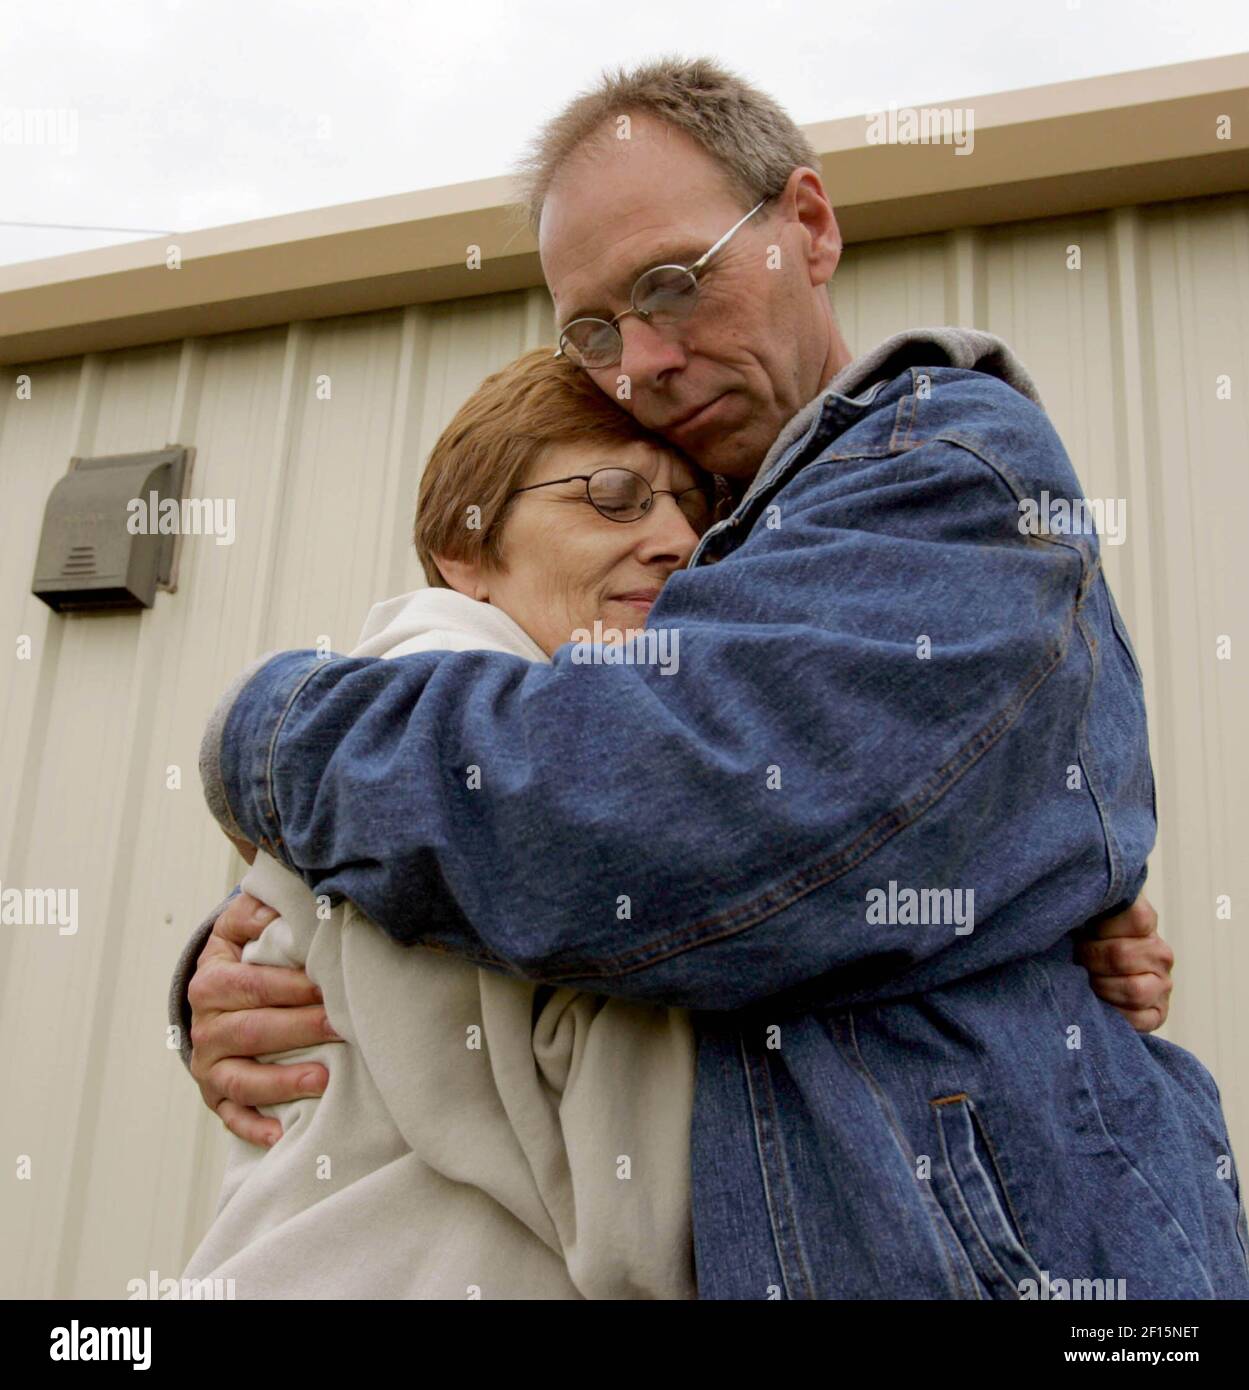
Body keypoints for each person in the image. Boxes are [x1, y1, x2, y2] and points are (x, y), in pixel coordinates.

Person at [174, 57, 1247, 1300]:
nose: (642, 360)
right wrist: (264, 950)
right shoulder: (691, 570)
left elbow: (641, 820)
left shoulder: (945, 472)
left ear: (809, 224)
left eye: (673, 283)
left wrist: (265, 734)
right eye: (592, 329)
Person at [181, 351, 708, 1299]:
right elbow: (641, 1225)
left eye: (692, 506)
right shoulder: (423, 749)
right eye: (616, 495)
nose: (677, 537)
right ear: (464, 552)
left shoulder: (376, 742)